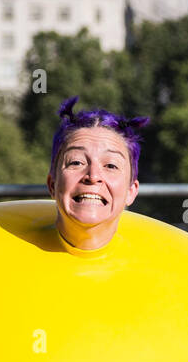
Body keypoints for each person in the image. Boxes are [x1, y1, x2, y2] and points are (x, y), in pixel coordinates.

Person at [46, 97, 150, 252]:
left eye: (110, 165)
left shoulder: (160, 269)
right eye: (76, 162)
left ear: (131, 191)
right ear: (52, 184)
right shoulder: (6, 260)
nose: (93, 176)